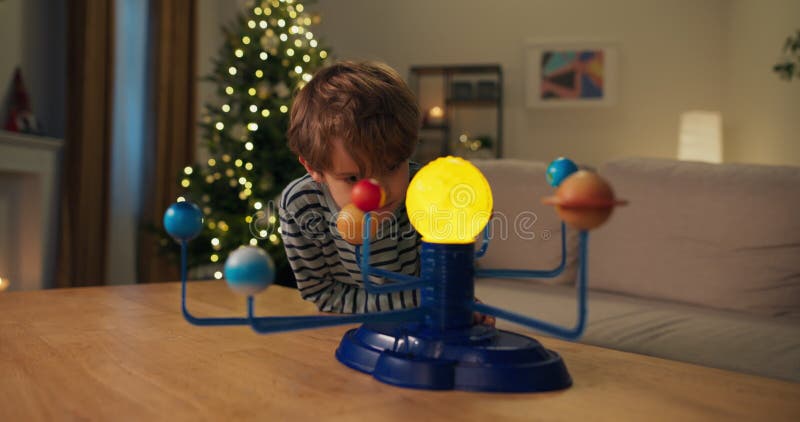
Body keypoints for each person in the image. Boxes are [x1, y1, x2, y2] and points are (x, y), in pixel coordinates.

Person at [279, 61, 494, 325]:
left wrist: (455, 300)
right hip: (343, 329)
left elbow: (445, 283)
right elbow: (321, 293)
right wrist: (424, 299)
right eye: (354, 178)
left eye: (392, 167)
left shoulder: (427, 192)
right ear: (314, 168)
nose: (378, 192)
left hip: (426, 325)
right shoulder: (302, 207)